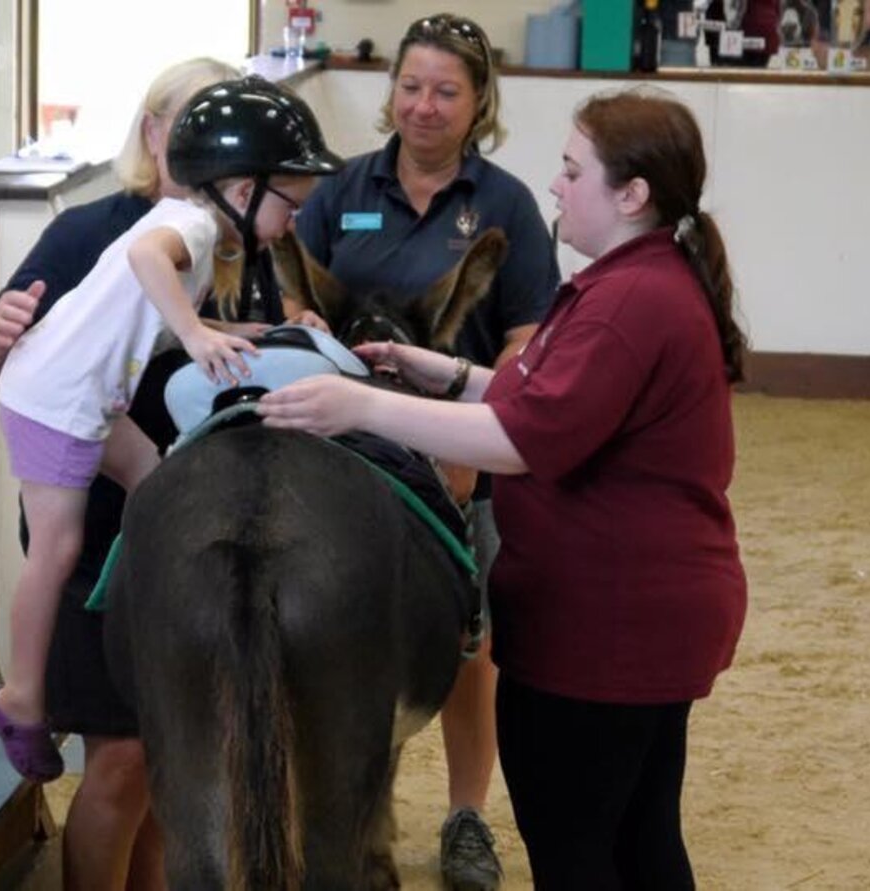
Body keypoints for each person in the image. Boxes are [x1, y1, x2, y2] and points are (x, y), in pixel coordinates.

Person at [257, 86, 748, 889]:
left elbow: (523, 440)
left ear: (632, 195)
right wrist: (446, 373)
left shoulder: (628, 300)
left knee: (579, 847)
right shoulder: (634, 281)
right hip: (641, 619)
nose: (554, 186)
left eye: (571, 169)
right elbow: (550, 401)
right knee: (641, 836)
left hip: (608, 631)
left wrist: (360, 404)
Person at [0, 75, 343, 789]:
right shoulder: (194, 226)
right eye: (289, 207)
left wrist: (249, 331)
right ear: (244, 193)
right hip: (54, 398)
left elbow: (166, 316)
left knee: (160, 480)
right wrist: (192, 332)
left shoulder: (196, 227)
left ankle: (151, 620)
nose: (294, 224)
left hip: (86, 393)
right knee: (58, 546)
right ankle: (19, 698)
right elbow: (150, 269)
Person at [287, 13, 559, 888]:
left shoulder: (506, 204)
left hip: (453, 449)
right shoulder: (338, 191)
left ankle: (467, 816)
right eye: (411, 87)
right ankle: (336, 805)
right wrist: (301, 324)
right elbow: (296, 292)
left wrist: (477, 433)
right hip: (341, 440)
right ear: (390, 92)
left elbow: (528, 338)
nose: (425, 106)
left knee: (469, 643)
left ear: (480, 104)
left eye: (447, 91)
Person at [0, 57, 236, 889]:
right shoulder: (93, 230)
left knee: (172, 767)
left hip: (184, 526)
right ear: (151, 133)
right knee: (123, 758)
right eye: (186, 125)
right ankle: (23, 696)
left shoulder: (234, 230)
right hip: (94, 528)